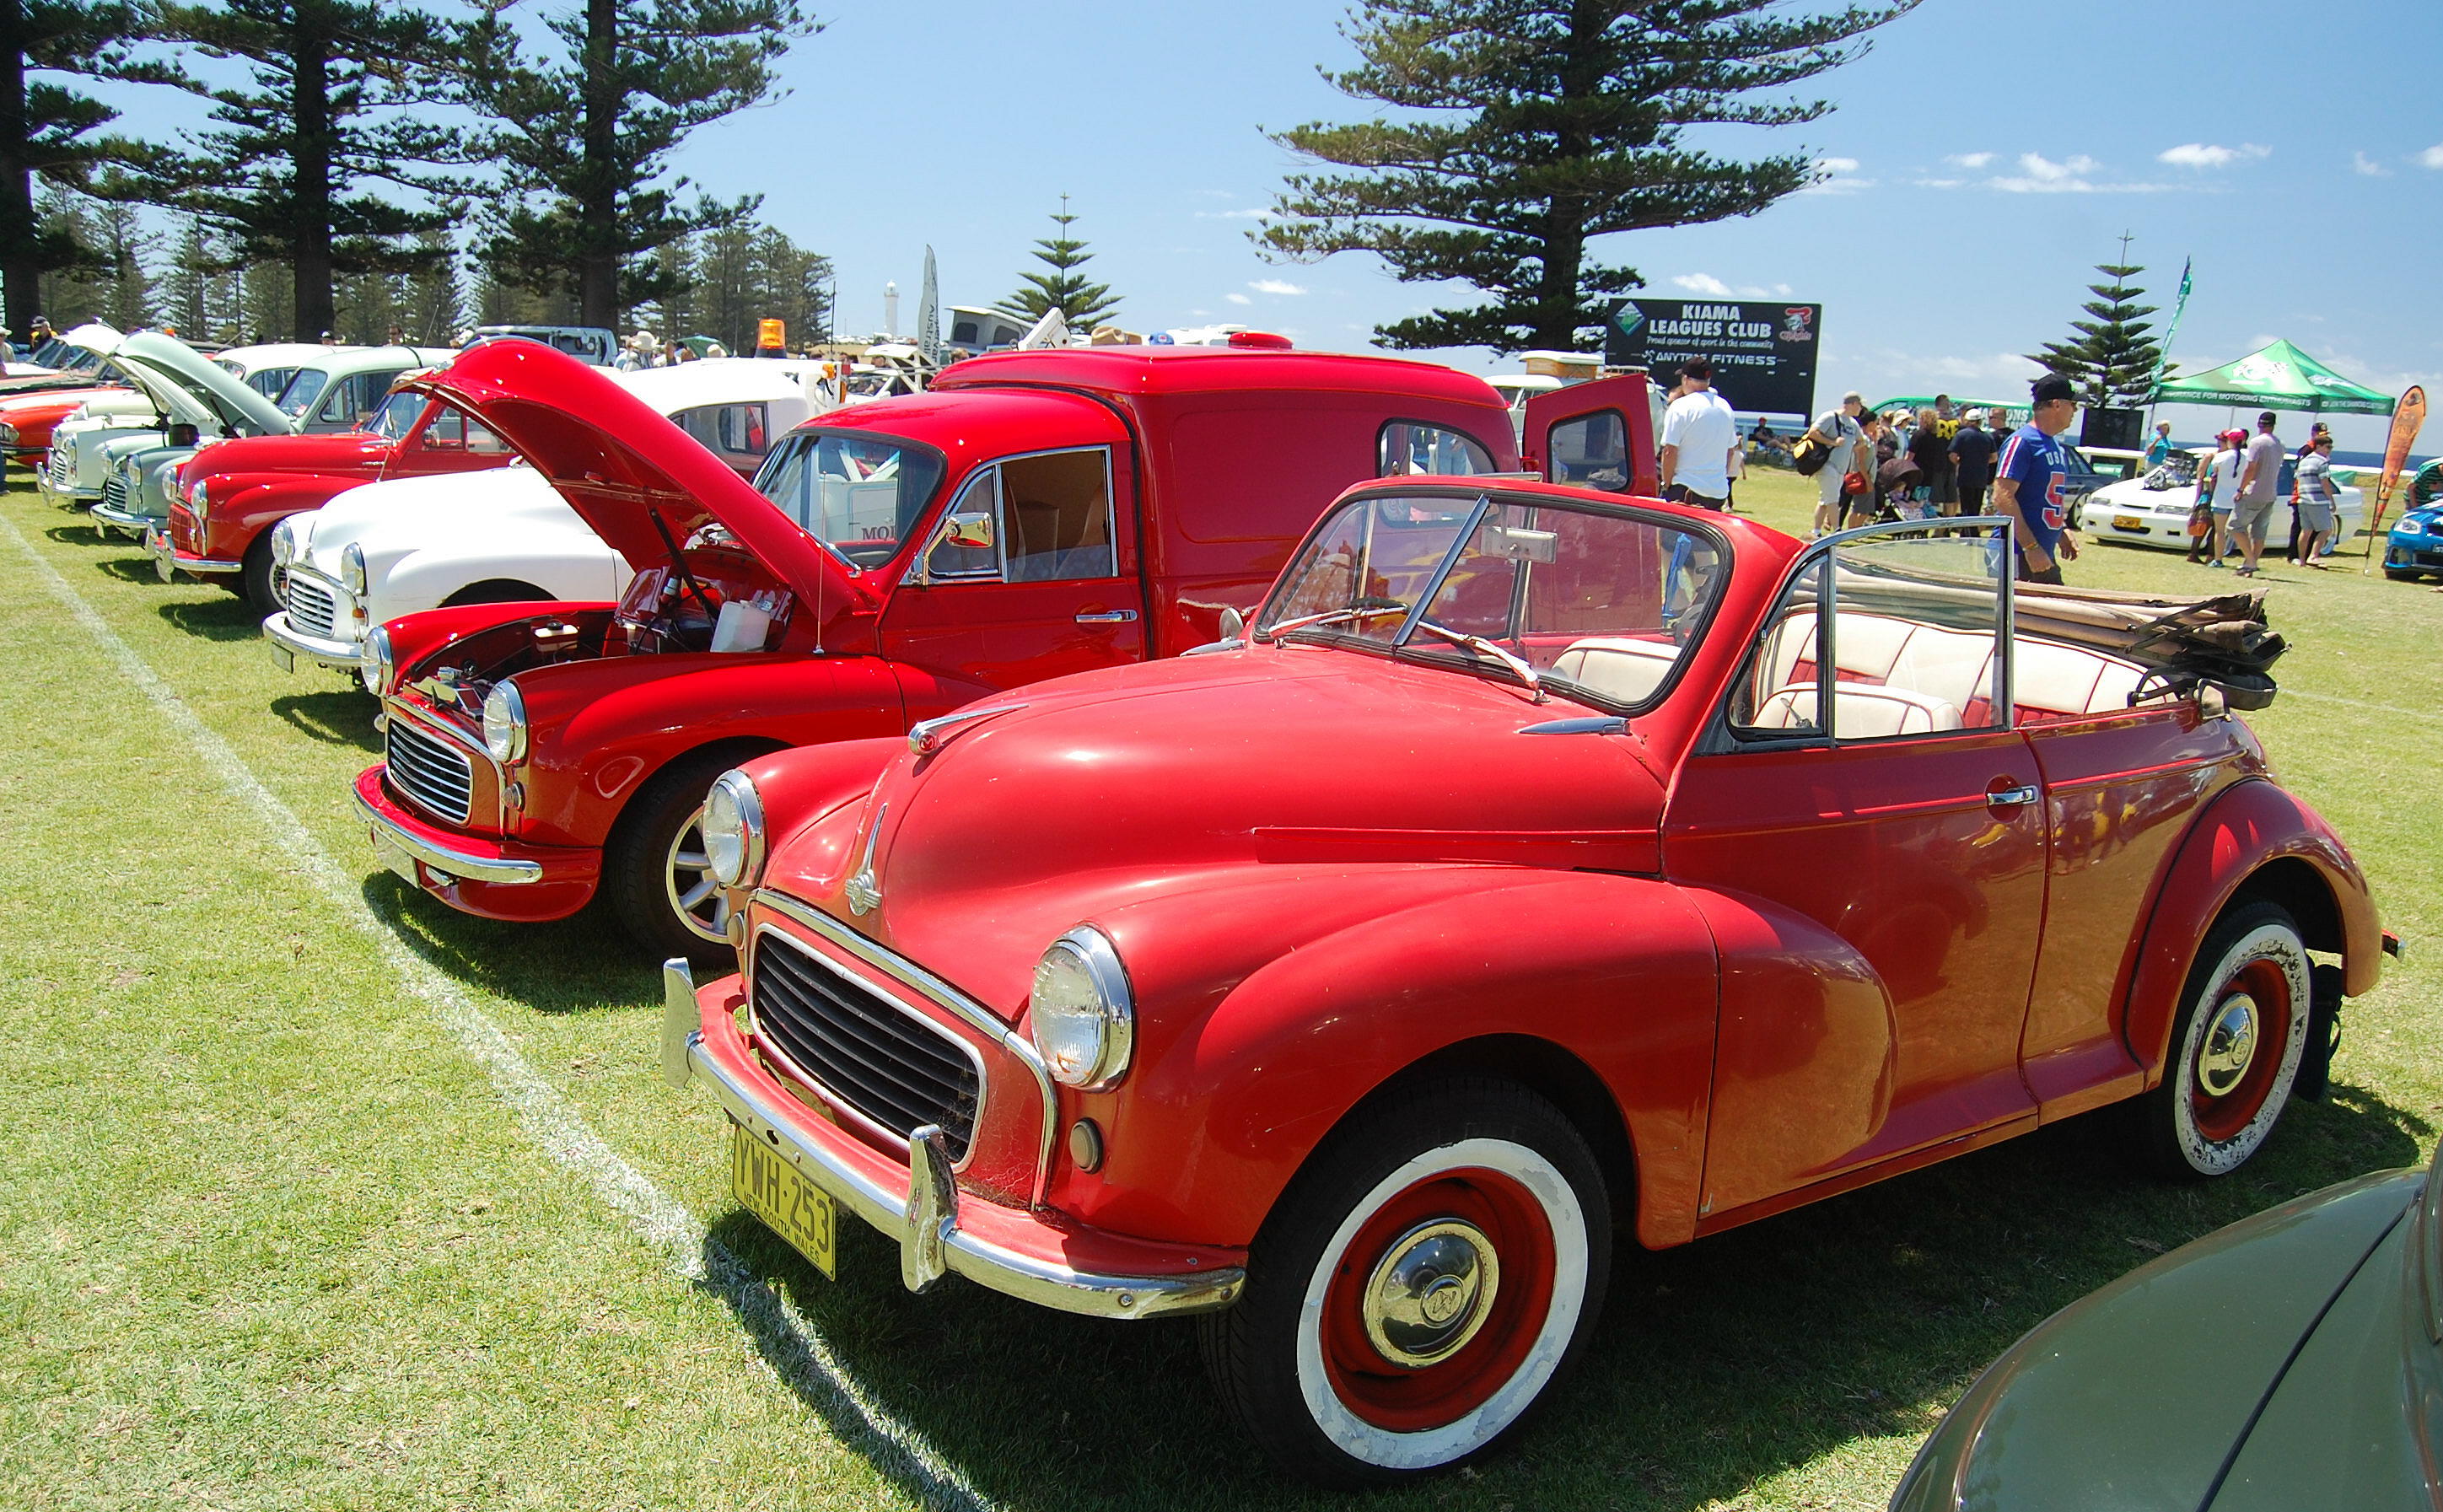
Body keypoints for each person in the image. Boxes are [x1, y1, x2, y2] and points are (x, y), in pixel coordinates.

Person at [1994, 374, 2081, 584]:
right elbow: (2002, 497)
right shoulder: (2022, 442)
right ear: (2057, 404)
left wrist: (2061, 530)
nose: (2076, 410)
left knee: (2058, 612)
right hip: (2016, 553)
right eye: (2073, 404)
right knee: (2017, 617)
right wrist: (2031, 547)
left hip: (2042, 553)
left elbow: (2041, 497)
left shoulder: (2054, 445)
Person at [1657, 358, 1737, 510]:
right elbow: (1730, 451)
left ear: (1686, 379)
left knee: (1674, 534)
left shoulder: (1681, 406)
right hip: (1717, 492)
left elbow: (1670, 451)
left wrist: (1666, 484)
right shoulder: (1725, 406)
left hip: (1685, 489)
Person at [1804, 392, 1870, 537]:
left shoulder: (1853, 423)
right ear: (1852, 404)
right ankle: (1837, 531)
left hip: (1841, 469)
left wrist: (1851, 447)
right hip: (1827, 465)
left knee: (1825, 500)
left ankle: (1816, 531)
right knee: (1833, 499)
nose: (1861, 408)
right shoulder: (1830, 417)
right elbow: (1813, 432)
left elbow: (1861, 440)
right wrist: (1833, 442)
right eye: (1859, 405)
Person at [2231, 411, 2285, 577]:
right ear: (2274, 425)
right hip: (2271, 493)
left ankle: (2251, 562)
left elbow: (2251, 468)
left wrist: (2241, 489)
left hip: (2254, 492)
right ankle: (2249, 565)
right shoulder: (2280, 444)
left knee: (2234, 526)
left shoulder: (2257, 442)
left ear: (2259, 424)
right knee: (2259, 533)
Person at [2193, 429, 2246, 566]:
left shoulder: (2220, 457)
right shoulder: (2245, 458)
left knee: (2219, 532)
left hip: (2220, 498)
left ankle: (2218, 560)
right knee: (2238, 531)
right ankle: (2249, 559)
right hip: (2237, 500)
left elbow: (2213, 478)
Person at [2293, 431, 2341, 568]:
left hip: (2303, 499)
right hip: (2317, 500)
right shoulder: (2322, 462)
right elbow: (2325, 483)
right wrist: (2331, 500)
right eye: (2327, 447)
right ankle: (2313, 556)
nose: (2329, 450)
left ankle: (2302, 560)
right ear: (2318, 447)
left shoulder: (2304, 461)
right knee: (2326, 530)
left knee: (2306, 531)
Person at [1908, 405, 1956, 518]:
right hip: (1931, 474)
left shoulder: (1919, 435)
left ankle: (1932, 520)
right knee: (1925, 501)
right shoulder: (1938, 437)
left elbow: (1910, 456)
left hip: (1917, 473)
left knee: (1916, 500)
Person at [1950, 409, 1998, 516]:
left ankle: (1967, 531)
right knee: (1976, 507)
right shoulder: (1988, 436)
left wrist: (1961, 462)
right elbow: (1994, 458)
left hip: (1965, 476)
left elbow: (1952, 456)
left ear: (1967, 421)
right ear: (1980, 421)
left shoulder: (1961, 435)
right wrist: (1982, 462)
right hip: (1981, 477)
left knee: (1966, 507)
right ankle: (1973, 530)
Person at [1846, 413, 1890, 530]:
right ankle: (1852, 531)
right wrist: (1868, 480)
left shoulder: (1868, 438)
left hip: (1869, 477)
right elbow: (1860, 462)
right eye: (1876, 423)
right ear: (1870, 423)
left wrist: (1875, 440)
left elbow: (1872, 456)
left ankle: (1855, 530)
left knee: (1866, 509)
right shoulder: (1863, 439)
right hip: (1862, 478)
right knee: (1859, 509)